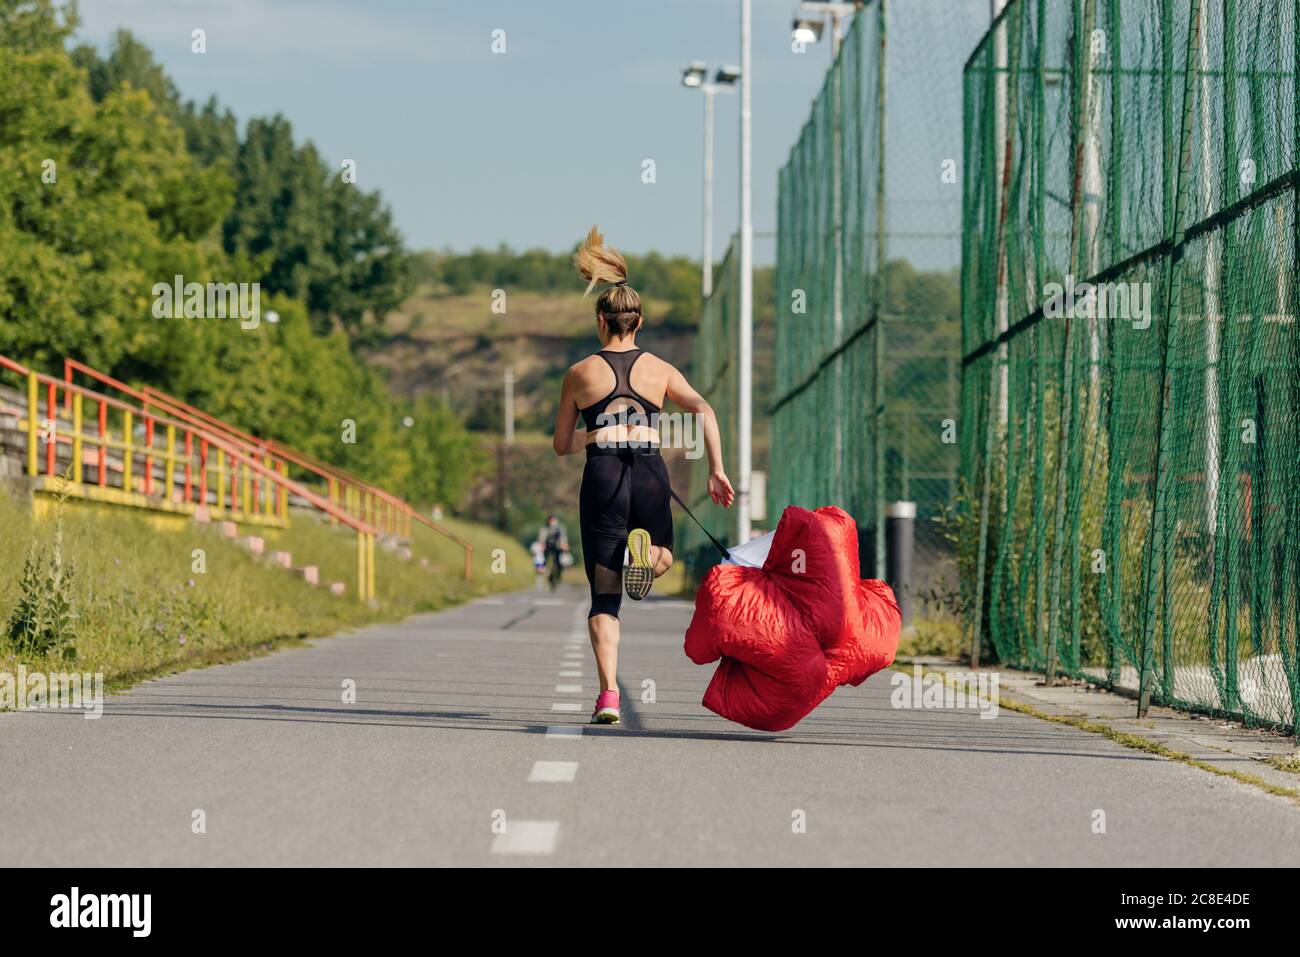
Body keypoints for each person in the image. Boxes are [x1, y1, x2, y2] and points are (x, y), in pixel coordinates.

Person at [552, 226, 734, 725]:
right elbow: (704, 410)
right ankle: (647, 558)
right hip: (651, 473)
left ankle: (608, 695)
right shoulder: (660, 369)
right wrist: (716, 469)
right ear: (639, 321)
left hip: (603, 475)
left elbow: (562, 445)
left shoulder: (579, 373)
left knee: (604, 597)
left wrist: (595, 434)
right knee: (666, 554)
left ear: (600, 319)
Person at [535, 515, 569, 590]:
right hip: (547, 547)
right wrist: (541, 544)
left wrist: (564, 545)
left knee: (559, 562)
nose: (552, 522)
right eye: (551, 521)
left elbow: (563, 537)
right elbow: (541, 537)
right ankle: (545, 574)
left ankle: (558, 576)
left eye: (554, 521)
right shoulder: (544, 528)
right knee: (543, 561)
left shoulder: (560, 528)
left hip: (557, 547)